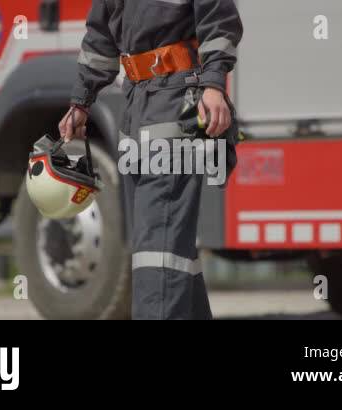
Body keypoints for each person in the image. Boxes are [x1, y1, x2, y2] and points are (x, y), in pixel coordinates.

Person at [59, 0, 243, 320]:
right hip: (136, 108)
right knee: (161, 250)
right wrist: (81, 101)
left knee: (158, 250)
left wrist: (213, 83)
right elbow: (101, 36)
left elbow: (219, 19)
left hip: (177, 103)